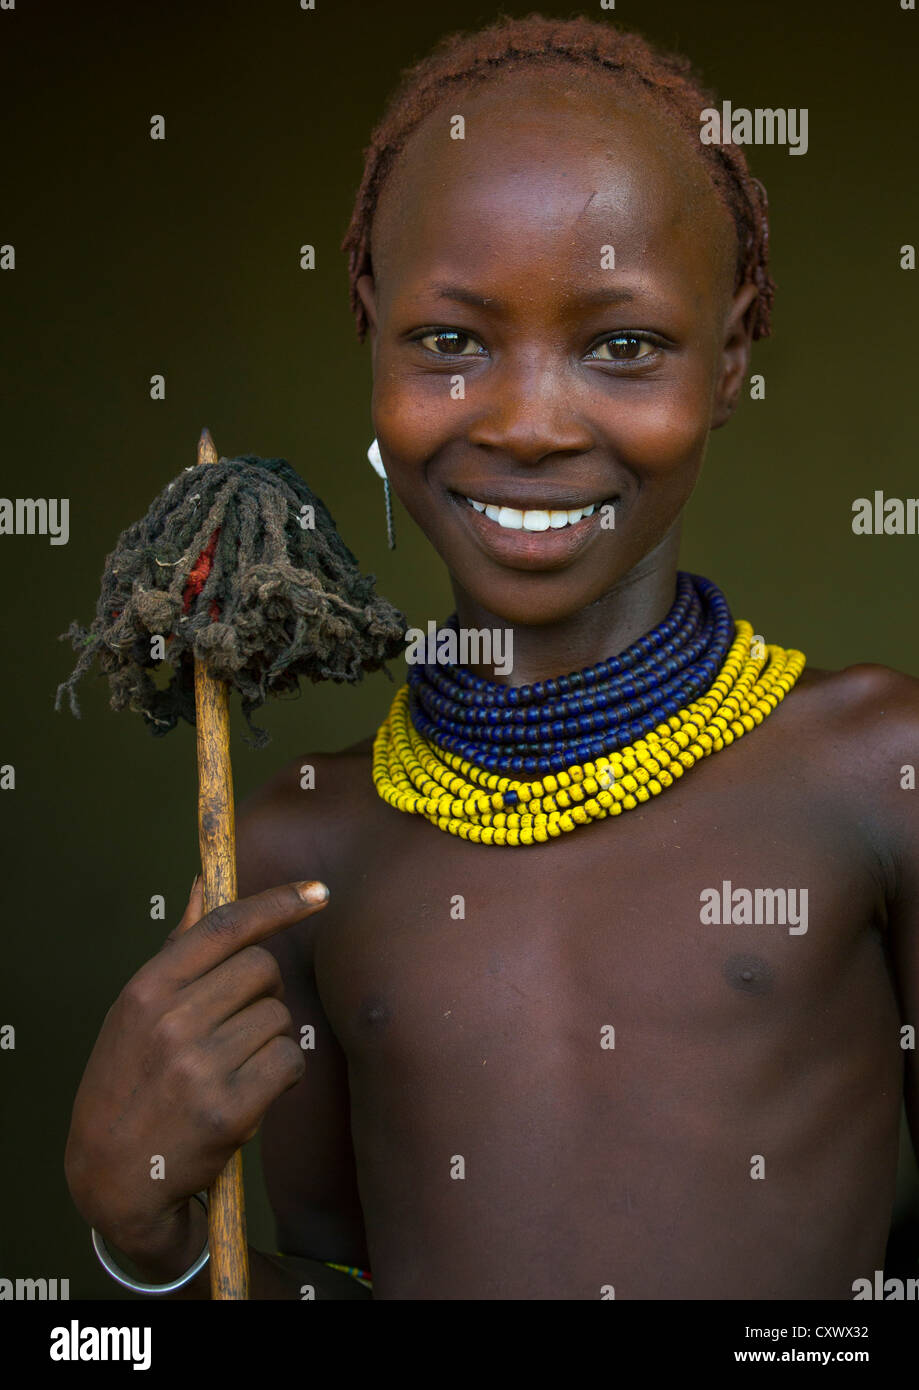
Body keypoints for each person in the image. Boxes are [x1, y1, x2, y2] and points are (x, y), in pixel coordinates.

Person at [65, 13, 919, 1300]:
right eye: (452, 342)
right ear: (370, 332)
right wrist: (147, 1241)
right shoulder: (295, 850)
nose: (527, 423)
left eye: (621, 344)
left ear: (732, 354)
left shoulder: (878, 771)